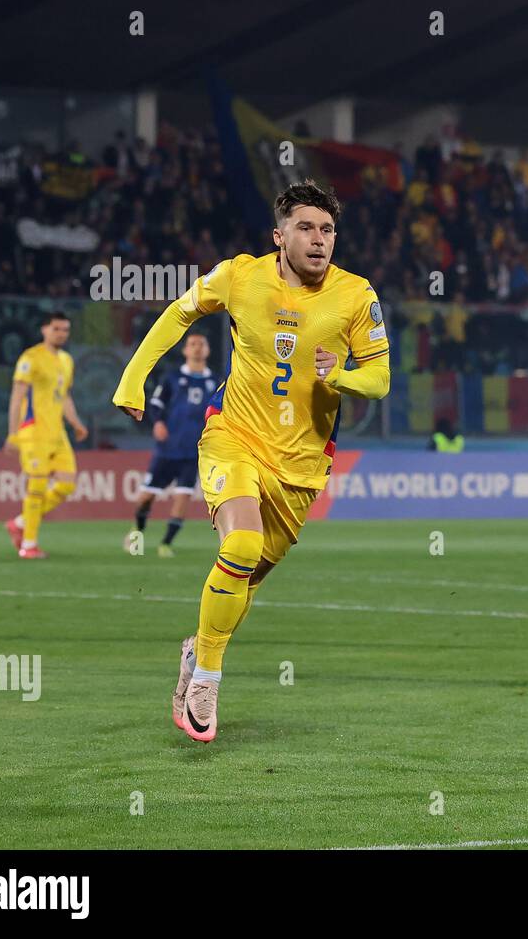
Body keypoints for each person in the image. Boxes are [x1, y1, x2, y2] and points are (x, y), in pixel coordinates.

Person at [112, 180, 391, 743]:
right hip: (233, 435)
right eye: (306, 228)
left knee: (248, 579)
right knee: (238, 546)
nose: (319, 240)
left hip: (303, 464)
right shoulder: (239, 274)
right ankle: (208, 679)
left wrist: (339, 375)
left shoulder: (357, 295)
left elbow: (380, 379)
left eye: (328, 230)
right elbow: (179, 313)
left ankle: (197, 649)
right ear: (279, 235)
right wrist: (133, 377)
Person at [4, 311, 88, 559]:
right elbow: (17, 396)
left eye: (65, 329)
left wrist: (75, 422)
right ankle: (29, 545)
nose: (61, 333)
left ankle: (20, 523)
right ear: (44, 330)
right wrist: (12, 434)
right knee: (37, 486)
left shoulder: (66, 360)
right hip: (33, 431)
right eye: (56, 329)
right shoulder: (31, 358)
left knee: (66, 484)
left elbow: (64, 397)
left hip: (57, 432)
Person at [129, 333, 218, 557]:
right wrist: (158, 422)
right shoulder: (172, 378)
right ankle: (137, 533)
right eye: (192, 344)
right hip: (168, 449)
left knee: (182, 497)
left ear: (207, 350)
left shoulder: (215, 382)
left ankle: (166, 544)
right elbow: (156, 404)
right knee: (145, 498)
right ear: (185, 351)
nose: (197, 348)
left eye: (202, 344)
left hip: (193, 451)